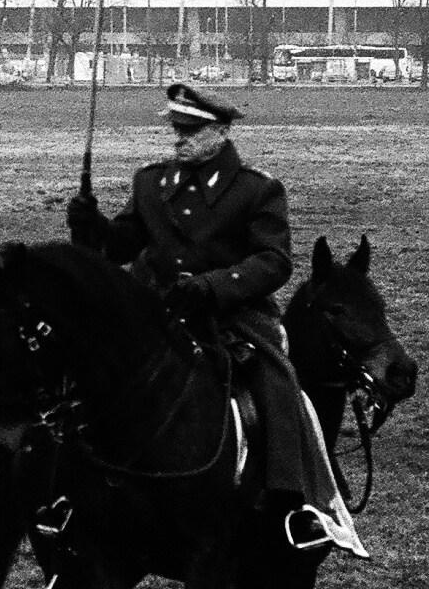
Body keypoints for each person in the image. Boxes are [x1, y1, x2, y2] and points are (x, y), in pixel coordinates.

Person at [64, 81, 368, 557]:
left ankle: (292, 502)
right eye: (175, 129)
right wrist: (91, 228)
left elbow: (274, 260)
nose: (178, 138)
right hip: (155, 312)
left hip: (231, 316)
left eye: (190, 130)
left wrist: (214, 285)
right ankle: (65, 493)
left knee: (278, 386)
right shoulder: (151, 182)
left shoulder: (256, 189)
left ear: (221, 132)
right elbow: (118, 247)